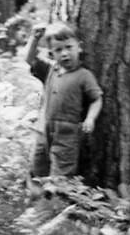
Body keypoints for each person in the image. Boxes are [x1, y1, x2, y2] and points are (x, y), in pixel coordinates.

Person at [24, 20, 102, 180]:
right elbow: (29, 59)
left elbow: (96, 99)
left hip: (67, 133)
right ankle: (37, 200)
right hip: (43, 130)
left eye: (69, 47)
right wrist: (34, 38)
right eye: (59, 50)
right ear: (52, 54)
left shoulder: (84, 76)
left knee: (62, 174)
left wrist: (90, 118)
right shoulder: (49, 70)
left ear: (78, 47)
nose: (65, 53)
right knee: (38, 167)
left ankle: (58, 200)